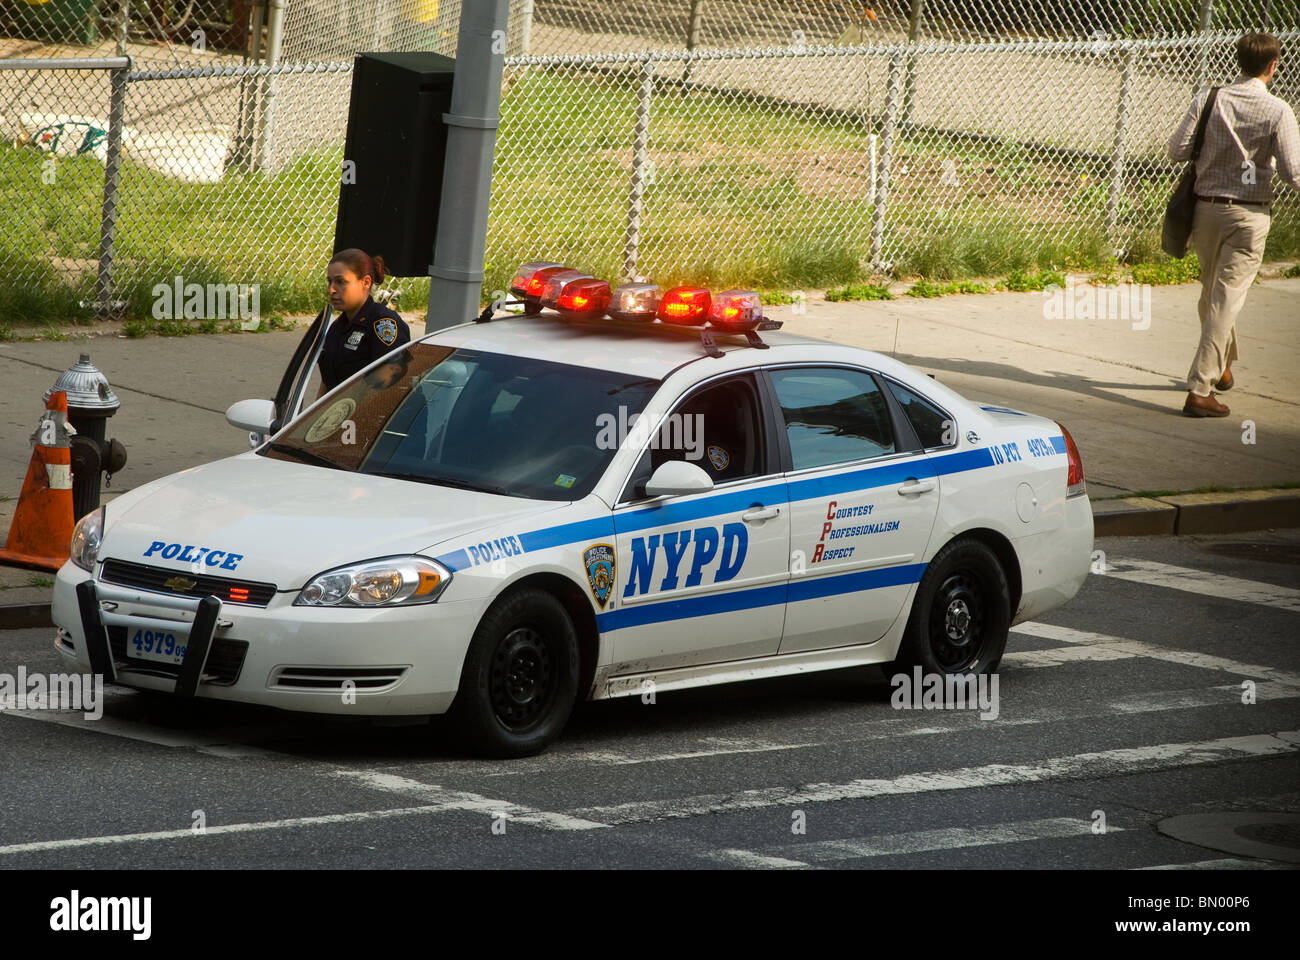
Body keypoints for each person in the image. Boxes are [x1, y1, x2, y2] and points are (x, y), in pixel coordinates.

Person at [1167, 32, 1300, 418]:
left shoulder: (1210, 99)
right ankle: (1200, 388)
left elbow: (1176, 150)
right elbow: (1294, 172)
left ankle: (1222, 369)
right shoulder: (1278, 111)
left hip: (1206, 211)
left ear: (1238, 61)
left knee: (1213, 296)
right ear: (1273, 66)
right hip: (1249, 214)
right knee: (1224, 300)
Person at [316, 248, 411, 394]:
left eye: (341, 282)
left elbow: (387, 387)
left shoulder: (383, 324)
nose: (332, 290)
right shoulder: (337, 327)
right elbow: (327, 382)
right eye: (330, 281)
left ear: (366, 282)